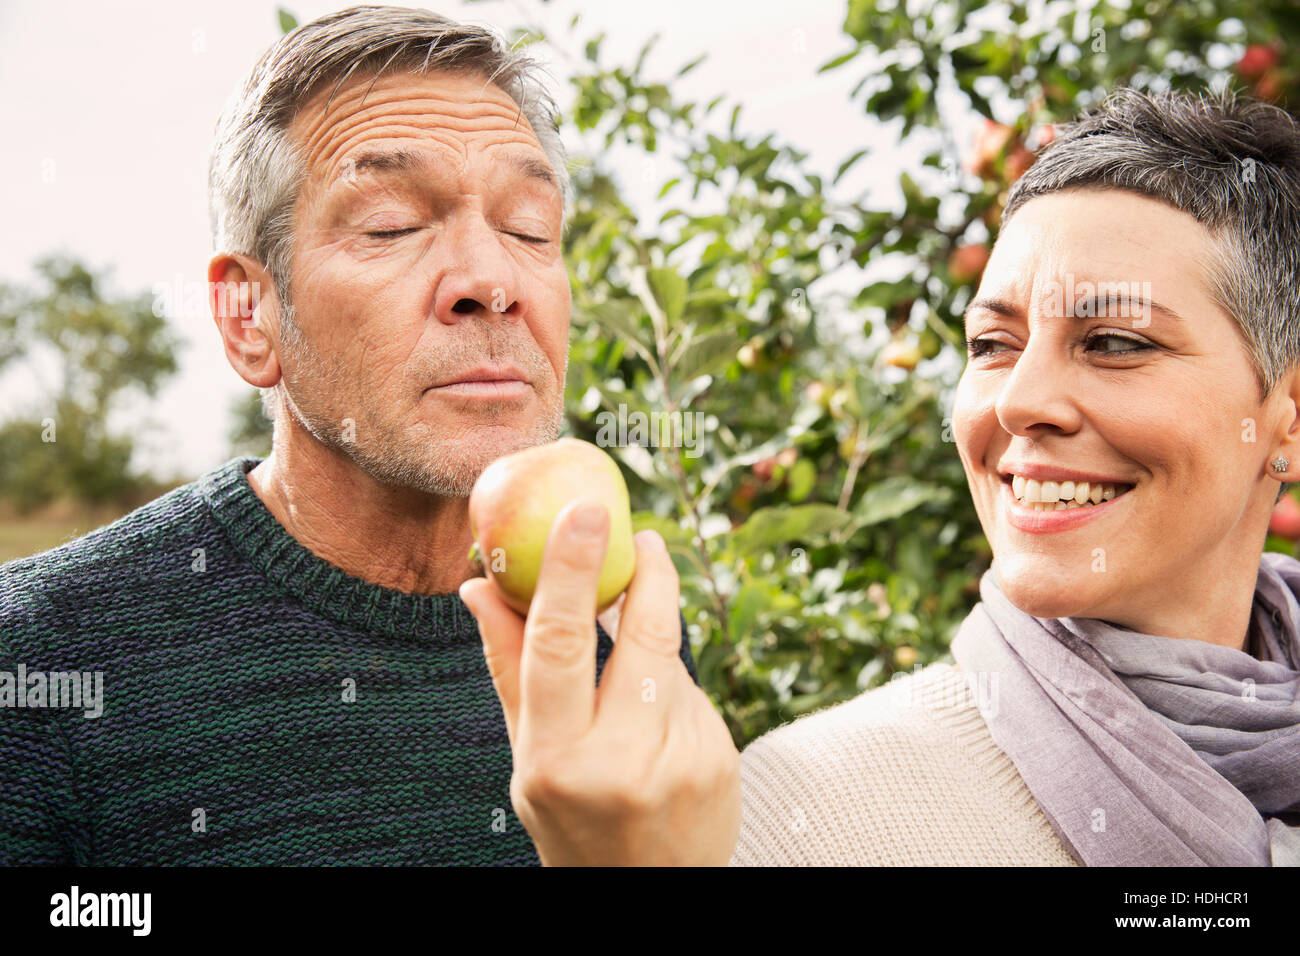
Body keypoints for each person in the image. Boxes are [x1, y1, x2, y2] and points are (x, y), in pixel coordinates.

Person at [465, 87, 1300, 866]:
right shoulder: (800, 816)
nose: (1020, 401)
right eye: (991, 345)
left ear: (1287, 413)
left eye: (1115, 343)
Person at [0, 5, 699, 865]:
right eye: (392, 227)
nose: (493, 280)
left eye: (529, 230)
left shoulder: (620, 628)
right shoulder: (39, 657)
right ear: (249, 316)